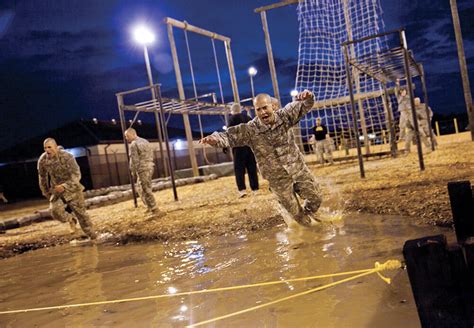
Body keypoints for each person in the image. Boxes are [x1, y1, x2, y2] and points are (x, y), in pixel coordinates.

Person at [200, 90, 322, 227]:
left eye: (265, 108)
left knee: (315, 199)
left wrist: (308, 97)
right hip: (277, 178)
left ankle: (310, 215)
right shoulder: (251, 129)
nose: (263, 112)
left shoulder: (285, 116)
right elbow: (229, 136)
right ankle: (309, 232)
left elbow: (304, 105)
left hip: (298, 170)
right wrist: (214, 139)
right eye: (259, 109)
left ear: (273, 107)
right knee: (297, 215)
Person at [37, 138, 96, 239]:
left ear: (56, 147)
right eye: (45, 148)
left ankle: (93, 238)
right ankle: (71, 220)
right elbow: (42, 177)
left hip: (72, 189)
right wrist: (46, 192)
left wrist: (65, 186)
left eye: (49, 147)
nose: (47, 150)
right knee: (54, 211)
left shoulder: (67, 156)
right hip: (57, 190)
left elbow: (76, 174)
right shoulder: (43, 159)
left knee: (82, 215)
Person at [124, 128, 165, 218]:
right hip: (149, 166)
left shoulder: (133, 144)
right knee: (140, 188)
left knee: (145, 189)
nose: (126, 138)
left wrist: (132, 171)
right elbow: (151, 154)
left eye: (127, 136)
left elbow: (134, 160)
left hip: (142, 168)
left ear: (133, 134)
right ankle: (149, 207)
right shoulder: (145, 141)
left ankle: (154, 209)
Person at [227, 103, 259, 197]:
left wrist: (225, 146)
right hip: (249, 147)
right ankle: (255, 189)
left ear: (232, 111)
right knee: (251, 168)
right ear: (240, 110)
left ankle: (242, 190)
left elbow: (229, 134)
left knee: (239, 169)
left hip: (238, 148)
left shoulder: (231, 119)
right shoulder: (247, 118)